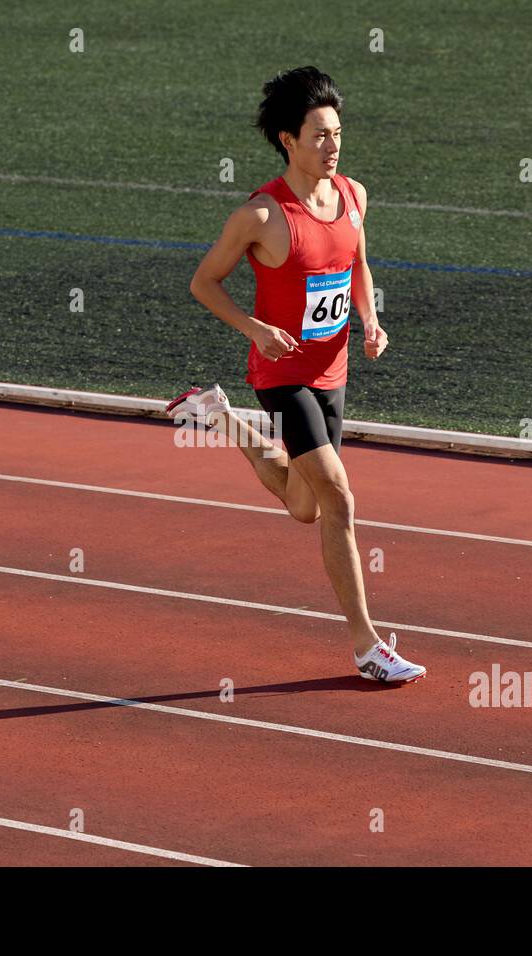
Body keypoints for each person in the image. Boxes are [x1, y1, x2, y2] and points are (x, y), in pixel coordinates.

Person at [168, 66, 425, 684]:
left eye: (338, 133)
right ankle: (367, 647)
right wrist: (254, 329)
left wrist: (370, 319)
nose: (333, 146)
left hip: (333, 369)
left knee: (304, 505)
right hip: (281, 374)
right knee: (338, 498)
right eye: (320, 135)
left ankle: (219, 416)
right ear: (289, 139)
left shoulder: (354, 196)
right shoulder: (260, 216)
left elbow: (358, 263)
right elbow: (204, 283)